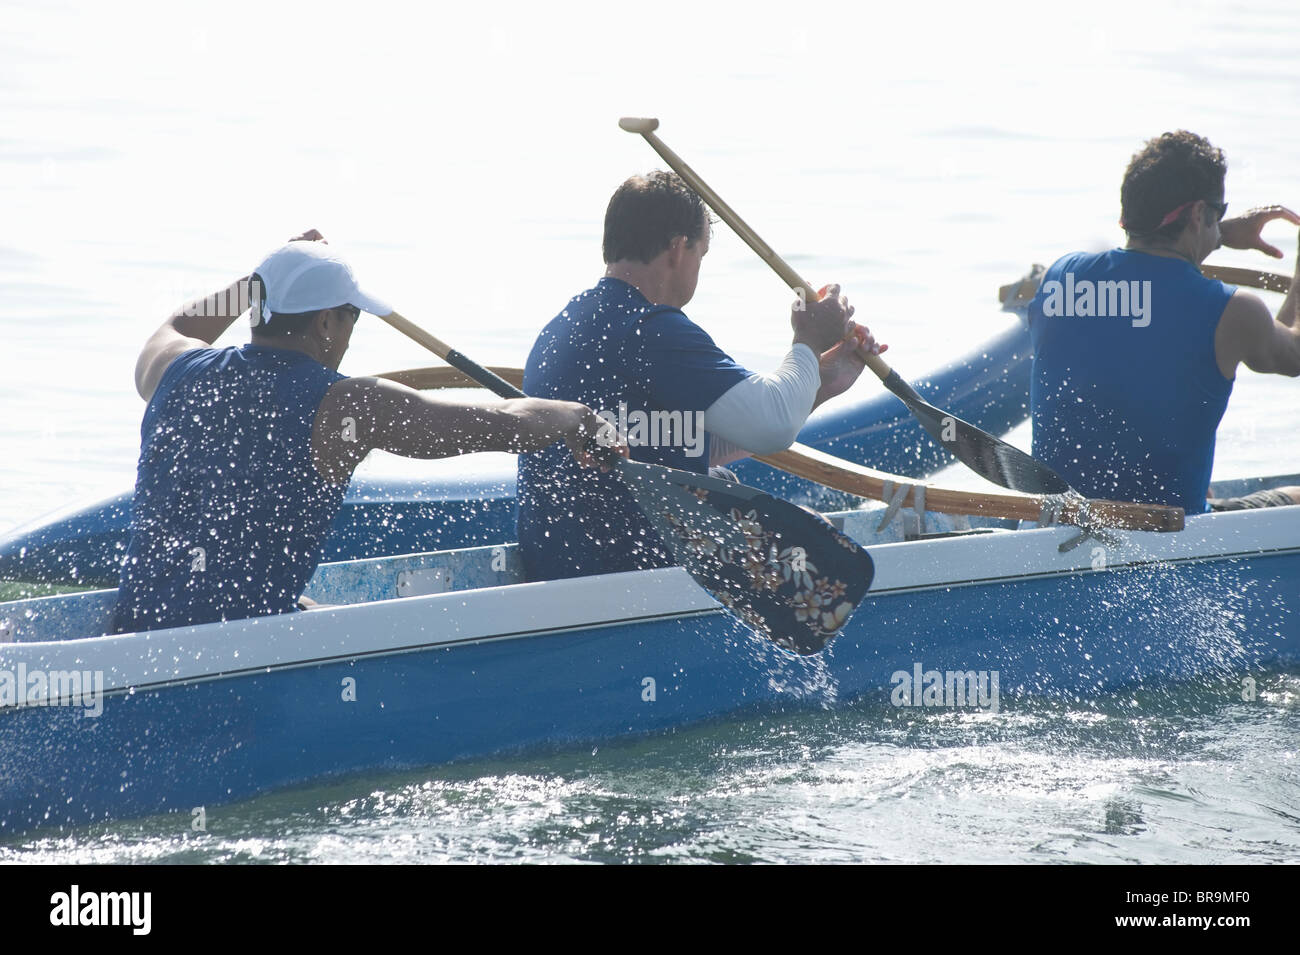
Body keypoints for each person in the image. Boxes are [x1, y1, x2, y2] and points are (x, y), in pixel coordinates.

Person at [112, 231, 611, 634]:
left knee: (302, 604)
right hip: (237, 651)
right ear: (327, 322)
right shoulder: (347, 406)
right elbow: (506, 426)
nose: (351, 335)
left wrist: (264, 279)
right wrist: (579, 416)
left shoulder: (172, 368)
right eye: (351, 319)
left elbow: (178, 324)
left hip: (135, 630)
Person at [516, 171, 885, 581]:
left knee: (735, 489)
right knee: (818, 540)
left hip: (557, 566)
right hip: (631, 572)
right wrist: (809, 339)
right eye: (701, 254)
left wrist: (818, 380)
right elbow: (772, 426)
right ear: (678, 249)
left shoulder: (562, 326)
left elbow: (670, 441)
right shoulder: (651, 330)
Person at [1027, 130, 1300, 514]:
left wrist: (1215, 230)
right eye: (1217, 212)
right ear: (1197, 214)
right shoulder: (1234, 311)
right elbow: (1295, 354)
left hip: (1057, 525)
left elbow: (1146, 307)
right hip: (1172, 536)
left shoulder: (1061, 279)